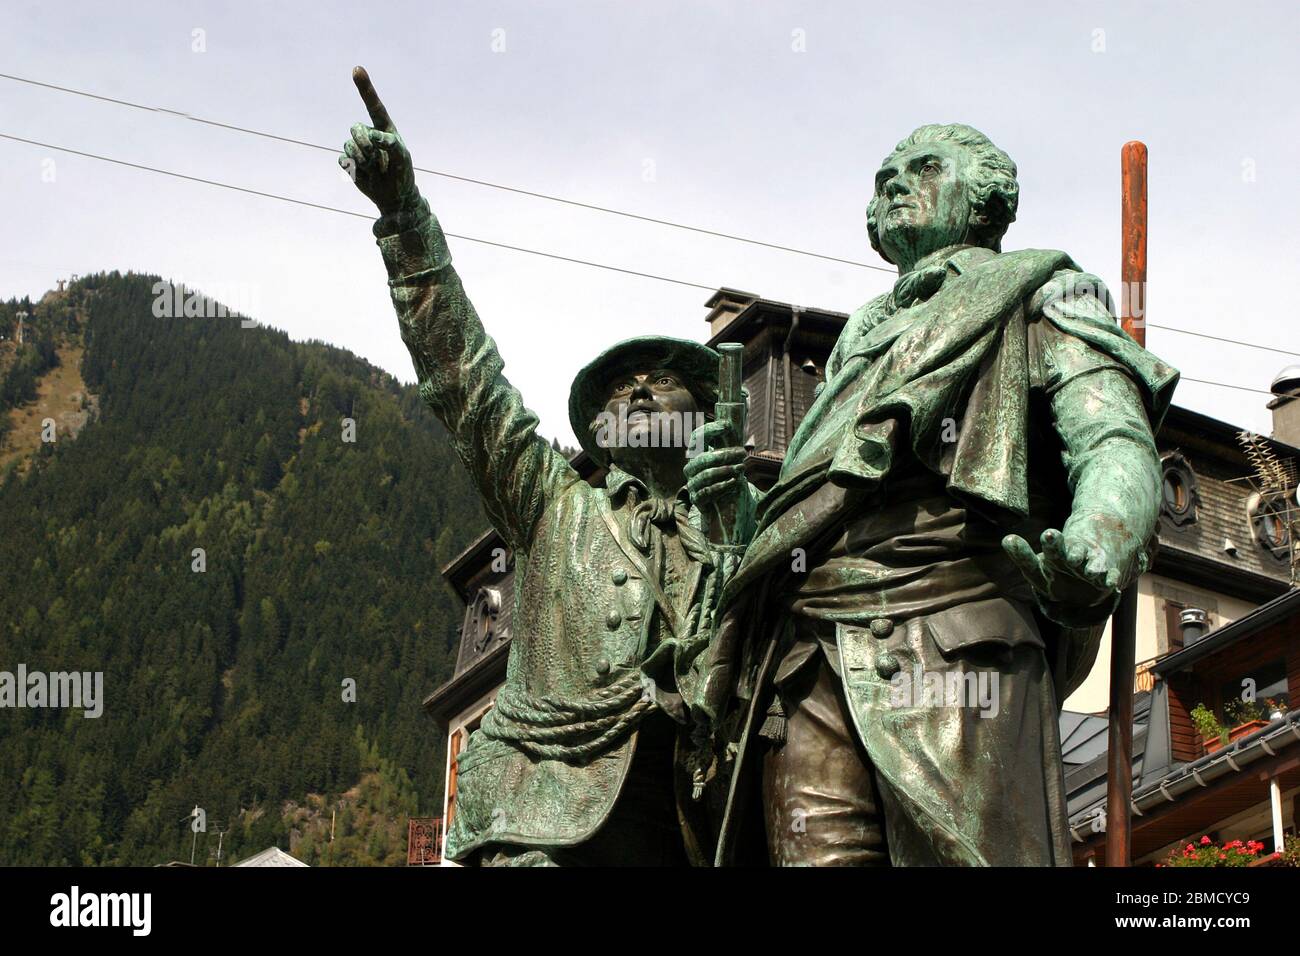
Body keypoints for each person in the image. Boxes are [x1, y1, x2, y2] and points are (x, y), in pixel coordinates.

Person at [342, 68, 752, 865]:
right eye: (618, 387)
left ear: (706, 414)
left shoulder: (743, 514)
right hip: (548, 809)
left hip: (688, 818)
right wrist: (404, 218)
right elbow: (463, 378)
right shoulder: (550, 501)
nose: (637, 389)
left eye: (660, 380)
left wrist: (736, 522)